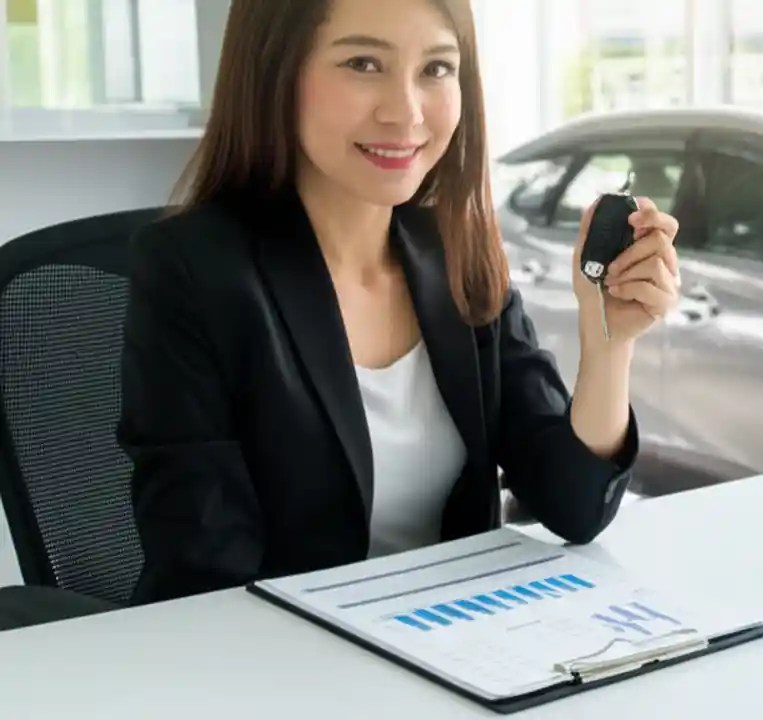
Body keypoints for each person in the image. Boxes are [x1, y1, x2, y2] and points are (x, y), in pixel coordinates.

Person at [116, 0, 681, 605]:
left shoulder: (454, 249)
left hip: (458, 644)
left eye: (436, 69)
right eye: (363, 63)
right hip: (280, 668)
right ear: (274, 74)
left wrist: (609, 342)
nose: (406, 112)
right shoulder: (195, 270)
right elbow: (206, 572)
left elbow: (573, 508)